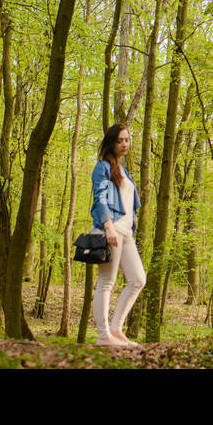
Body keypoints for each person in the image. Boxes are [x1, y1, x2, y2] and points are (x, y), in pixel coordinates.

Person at [90, 122, 145, 346]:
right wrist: (108, 226)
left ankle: (116, 328)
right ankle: (104, 336)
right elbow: (100, 198)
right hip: (110, 230)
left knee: (138, 279)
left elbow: (130, 203)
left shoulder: (125, 172)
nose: (124, 144)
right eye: (120, 140)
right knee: (106, 281)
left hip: (126, 233)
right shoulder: (102, 167)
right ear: (111, 143)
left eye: (127, 140)